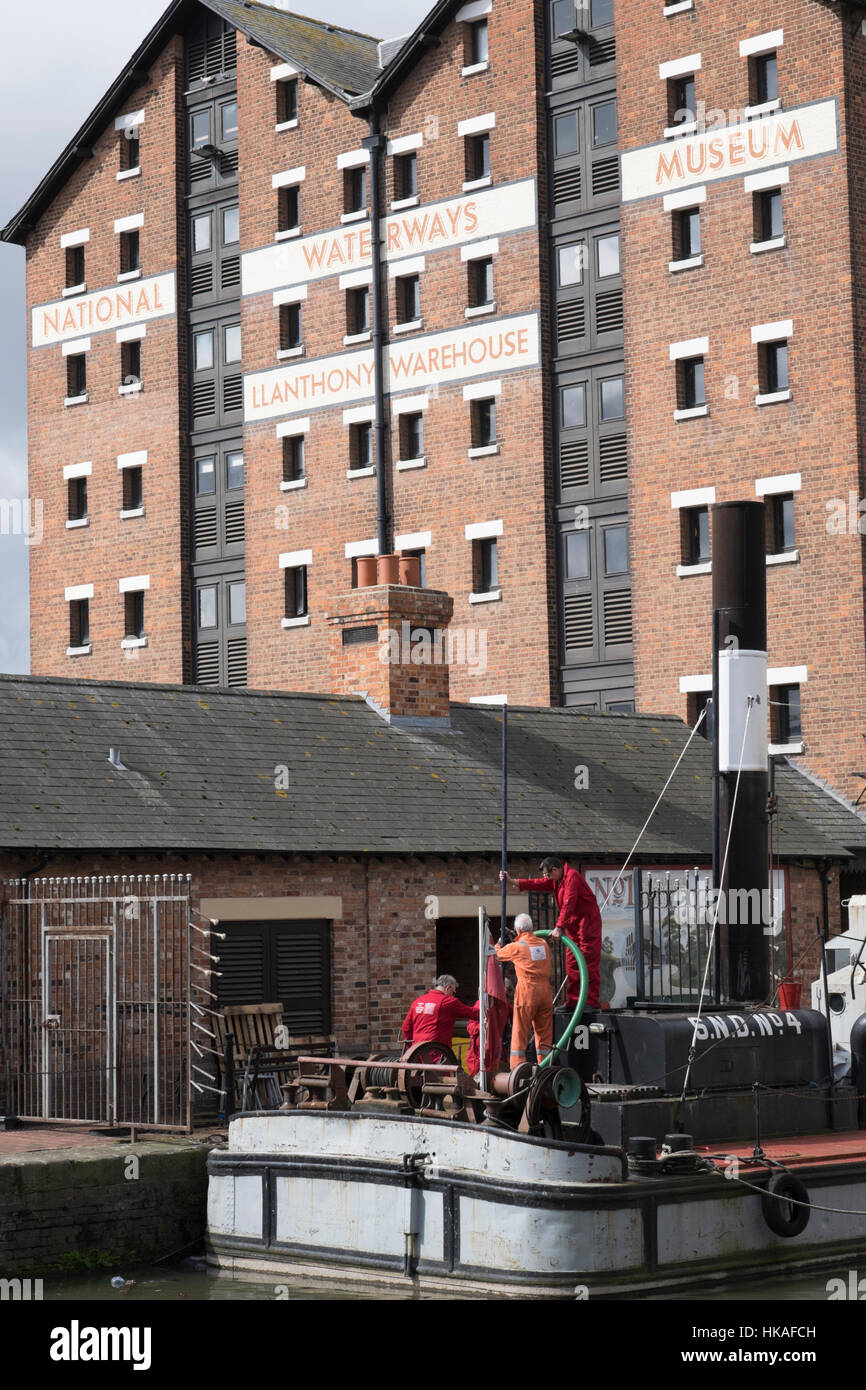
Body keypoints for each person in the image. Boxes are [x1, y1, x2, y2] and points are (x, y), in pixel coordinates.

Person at [500, 856, 602, 1009]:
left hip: (587, 923)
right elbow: (538, 883)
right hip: (574, 925)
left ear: (555, 869)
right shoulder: (557, 879)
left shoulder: (572, 877)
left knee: (588, 961)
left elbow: (569, 902)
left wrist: (559, 927)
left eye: (548, 874)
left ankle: (590, 1002)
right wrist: (514, 881)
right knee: (571, 963)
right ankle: (573, 1001)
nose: (546, 878)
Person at [494, 913, 553, 1069]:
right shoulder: (543, 944)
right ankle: (544, 1068)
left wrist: (500, 943)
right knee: (544, 1034)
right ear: (532, 928)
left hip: (528, 991)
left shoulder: (517, 947)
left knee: (520, 1031)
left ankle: (518, 1068)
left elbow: (496, 954)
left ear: (518, 929)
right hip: (546, 992)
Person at [401, 974, 477, 1060]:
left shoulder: (417, 1001)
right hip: (437, 1050)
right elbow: (473, 1013)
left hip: (417, 1050)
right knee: (441, 1072)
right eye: (453, 992)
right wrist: (484, 1005)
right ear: (448, 988)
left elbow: (406, 1028)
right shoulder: (448, 1002)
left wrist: (411, 1047)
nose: (453, 995)